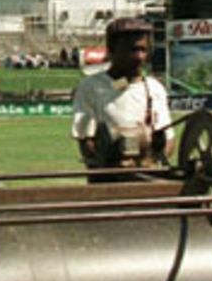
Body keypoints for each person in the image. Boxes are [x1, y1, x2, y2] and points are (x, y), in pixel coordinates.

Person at [71, 17, 173, 176]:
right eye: (132, 50)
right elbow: (85, 140)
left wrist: (150, 162)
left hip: (149, 181)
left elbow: (168, 139)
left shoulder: (155, 89)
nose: (140, 57)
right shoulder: (90, 88)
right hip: (108, 183)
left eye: (143, 50)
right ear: (111, 50)